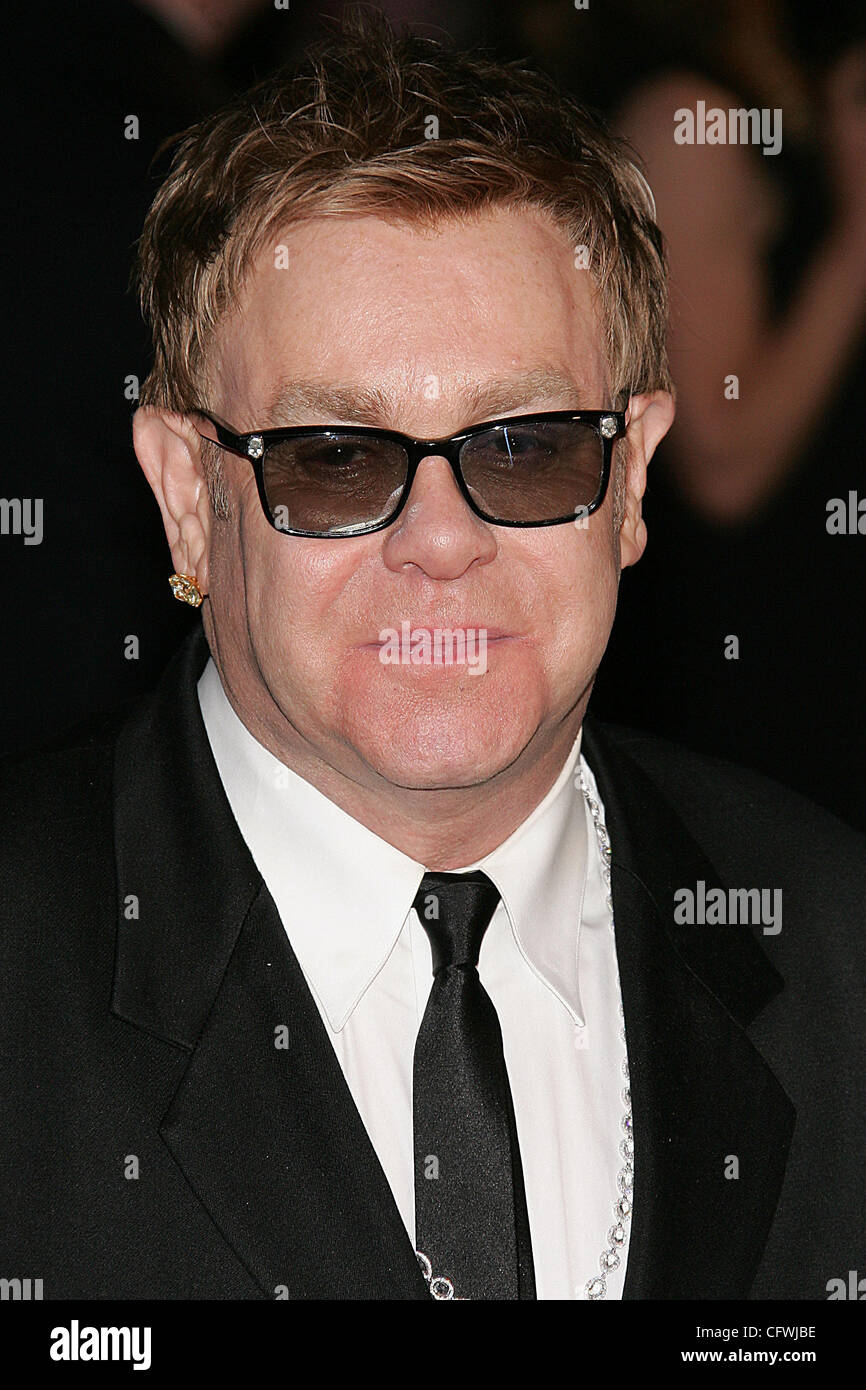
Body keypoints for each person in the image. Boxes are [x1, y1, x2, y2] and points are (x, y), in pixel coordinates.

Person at [0, 7, 862, 1301]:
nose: (442, 541)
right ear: (188, 491)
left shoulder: (836, 939)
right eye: (335, 459)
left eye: (524, 445)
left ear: (629, 481)